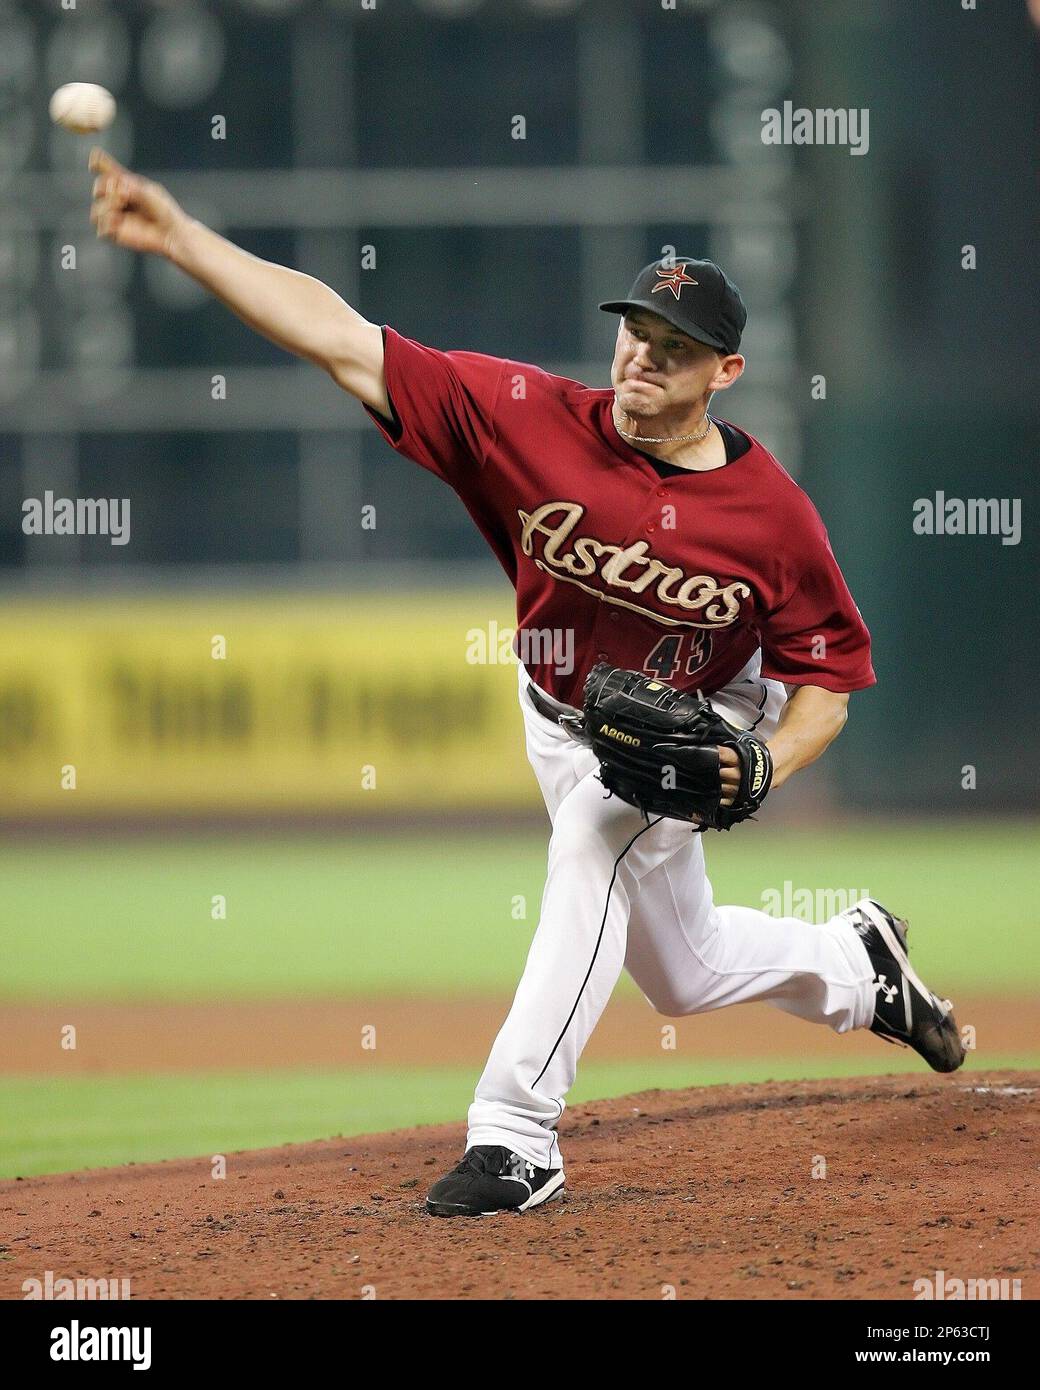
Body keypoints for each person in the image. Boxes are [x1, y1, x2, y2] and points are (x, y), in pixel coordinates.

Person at [89, 150, 966, 1220]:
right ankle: (855, 961)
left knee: (592, 839)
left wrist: (759, 766)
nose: (642, 356)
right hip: (555, 712)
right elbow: (337, 335)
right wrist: (181, 236)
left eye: (675, 346)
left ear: (724, 372)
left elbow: (826, 681)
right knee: (680, 974)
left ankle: (513, 1134)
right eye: (635, 331)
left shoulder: (770, 518)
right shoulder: (520, 416)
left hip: (699, 722)